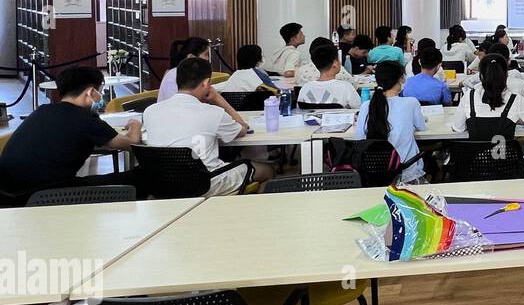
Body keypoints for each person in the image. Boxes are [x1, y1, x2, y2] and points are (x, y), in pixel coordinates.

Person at [0, 66, 144, 200]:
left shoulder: (42, 111)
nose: (101, 98)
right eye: (100, 91)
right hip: (48, 195)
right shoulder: (85, 119)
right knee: (140, 176)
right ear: (91, 92)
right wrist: (135, 124)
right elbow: (132, 143)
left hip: (8, 195)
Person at [143, 58, 273, 194]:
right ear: (207, 83)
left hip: (163, 184)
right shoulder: (213, 113)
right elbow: (243, 128)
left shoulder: (150, 111)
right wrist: (218, 99)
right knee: (267, 171)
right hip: (206, 183)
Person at [354, 61, 426, 184]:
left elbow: (359, 138)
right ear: (401, 78)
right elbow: (421, 127)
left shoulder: (367, 106)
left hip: (375, 172)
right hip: (406, 173)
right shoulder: (411, 103)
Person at [452, 57, 524, 136]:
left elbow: (458, 128)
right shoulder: (516, 99)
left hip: (474, 156)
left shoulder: (469, 97)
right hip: (507, 156)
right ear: (506, 74)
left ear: (481, 76)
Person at [298, 42, 362, 108]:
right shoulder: (345, 87)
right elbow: (358, 109)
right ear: (335, 63)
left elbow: (299, 111)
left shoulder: (305, 88)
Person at [158, 36, 211, 101]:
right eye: (206, 55)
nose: (208, 59)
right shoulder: (174, 75)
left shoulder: (191, 74)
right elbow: (174, 104)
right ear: (191, 57)